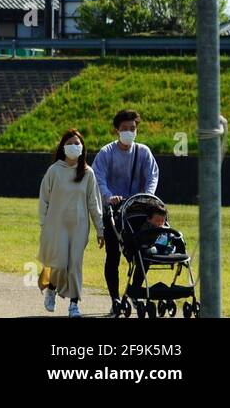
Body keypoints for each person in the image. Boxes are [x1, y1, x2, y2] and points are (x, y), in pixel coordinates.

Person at [94, 109, 159, 316]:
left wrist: (147, 197)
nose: (129, 132)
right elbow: (99, 177)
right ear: (116, 130)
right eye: (124, 129)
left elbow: (152, 176)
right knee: (112, 255)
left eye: (132, 129)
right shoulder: (106, 153)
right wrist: (108, 196)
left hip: (137, 211)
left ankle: (134, 291)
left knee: (144, 253)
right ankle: (114, 298)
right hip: (113, 211)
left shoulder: (143, 152)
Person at [38, 129, 104, 318]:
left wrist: (100, 229)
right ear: (63, 147)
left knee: (74, 265)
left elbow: (94, 203)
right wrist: (44, 225)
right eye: (70, 143)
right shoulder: (54, 171)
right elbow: (44, 199)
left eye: (77, 143)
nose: (74, 146)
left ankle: (74, 304)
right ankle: (51, 288)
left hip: (79, 227)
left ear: (82, 147)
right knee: (58, 264)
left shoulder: (88, 173)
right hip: (56, 226)